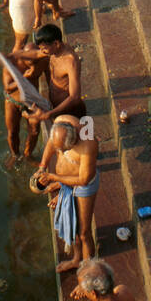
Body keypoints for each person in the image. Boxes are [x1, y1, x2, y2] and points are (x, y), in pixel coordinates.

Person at [36, 115, 99, 275]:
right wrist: (43, 166)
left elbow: (84, 180)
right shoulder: (60, 122)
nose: (61, 153)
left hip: (83, 188)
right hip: (66, 184)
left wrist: (54, 177)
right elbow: (52, 143)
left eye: (64, 150)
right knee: (73, 227)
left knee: (83, 232)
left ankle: (88, 273)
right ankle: (77, 260)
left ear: (74, 139)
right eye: (59, 150)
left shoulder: (88, 145)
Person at [12, 23, 87, 123]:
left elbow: (75, 97)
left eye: (44, 48)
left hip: (71, 111)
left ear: (56, 44)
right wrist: (9, 56)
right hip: (56, 107)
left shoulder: (71, 61)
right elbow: (35, 54)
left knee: (80, 136)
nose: (42, 51)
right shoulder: (53, 51)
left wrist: (49, 114)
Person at [0, 50, 46, 160]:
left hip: (31, 102)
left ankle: (28, 154)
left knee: (34, 131)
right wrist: (24, 77)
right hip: (12, 102)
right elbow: (8, 88)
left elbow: (39, 54)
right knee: (12, 132)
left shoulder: (29, 58)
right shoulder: (7, 67)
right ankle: (15, 155)